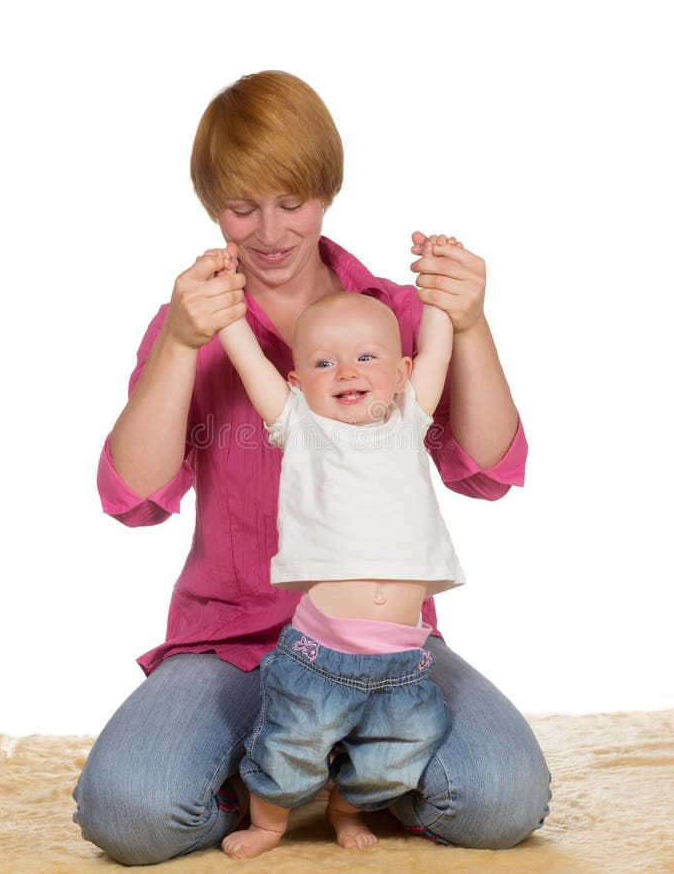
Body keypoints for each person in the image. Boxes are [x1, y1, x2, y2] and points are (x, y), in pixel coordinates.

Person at [72, 70, 551, 866]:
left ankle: (336, 767)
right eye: (241, 207)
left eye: (290, 202)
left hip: (384, 644)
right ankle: (288, 765)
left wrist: (469, 324)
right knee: (131, 812)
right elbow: (134, 499)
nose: (269, 232)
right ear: (212, 205)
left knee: (500, 798)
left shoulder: (392, 315)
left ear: (326, 191)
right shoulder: (195, 324)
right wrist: (181, 345)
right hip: (231, 640)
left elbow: (489, 472)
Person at [215, 281, 462, 857]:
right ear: (297, 383)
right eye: (324, 363)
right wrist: (226, 314)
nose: (346, 371)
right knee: (291, 744)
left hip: (403, 657)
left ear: (401, 374)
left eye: (366, 357)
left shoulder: (408, 417)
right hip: (320, 655)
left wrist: (439, 292)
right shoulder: (302, 426)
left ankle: (345, 807)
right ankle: (270, 824)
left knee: (399, 750)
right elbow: (250, 362)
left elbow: (438, 351)